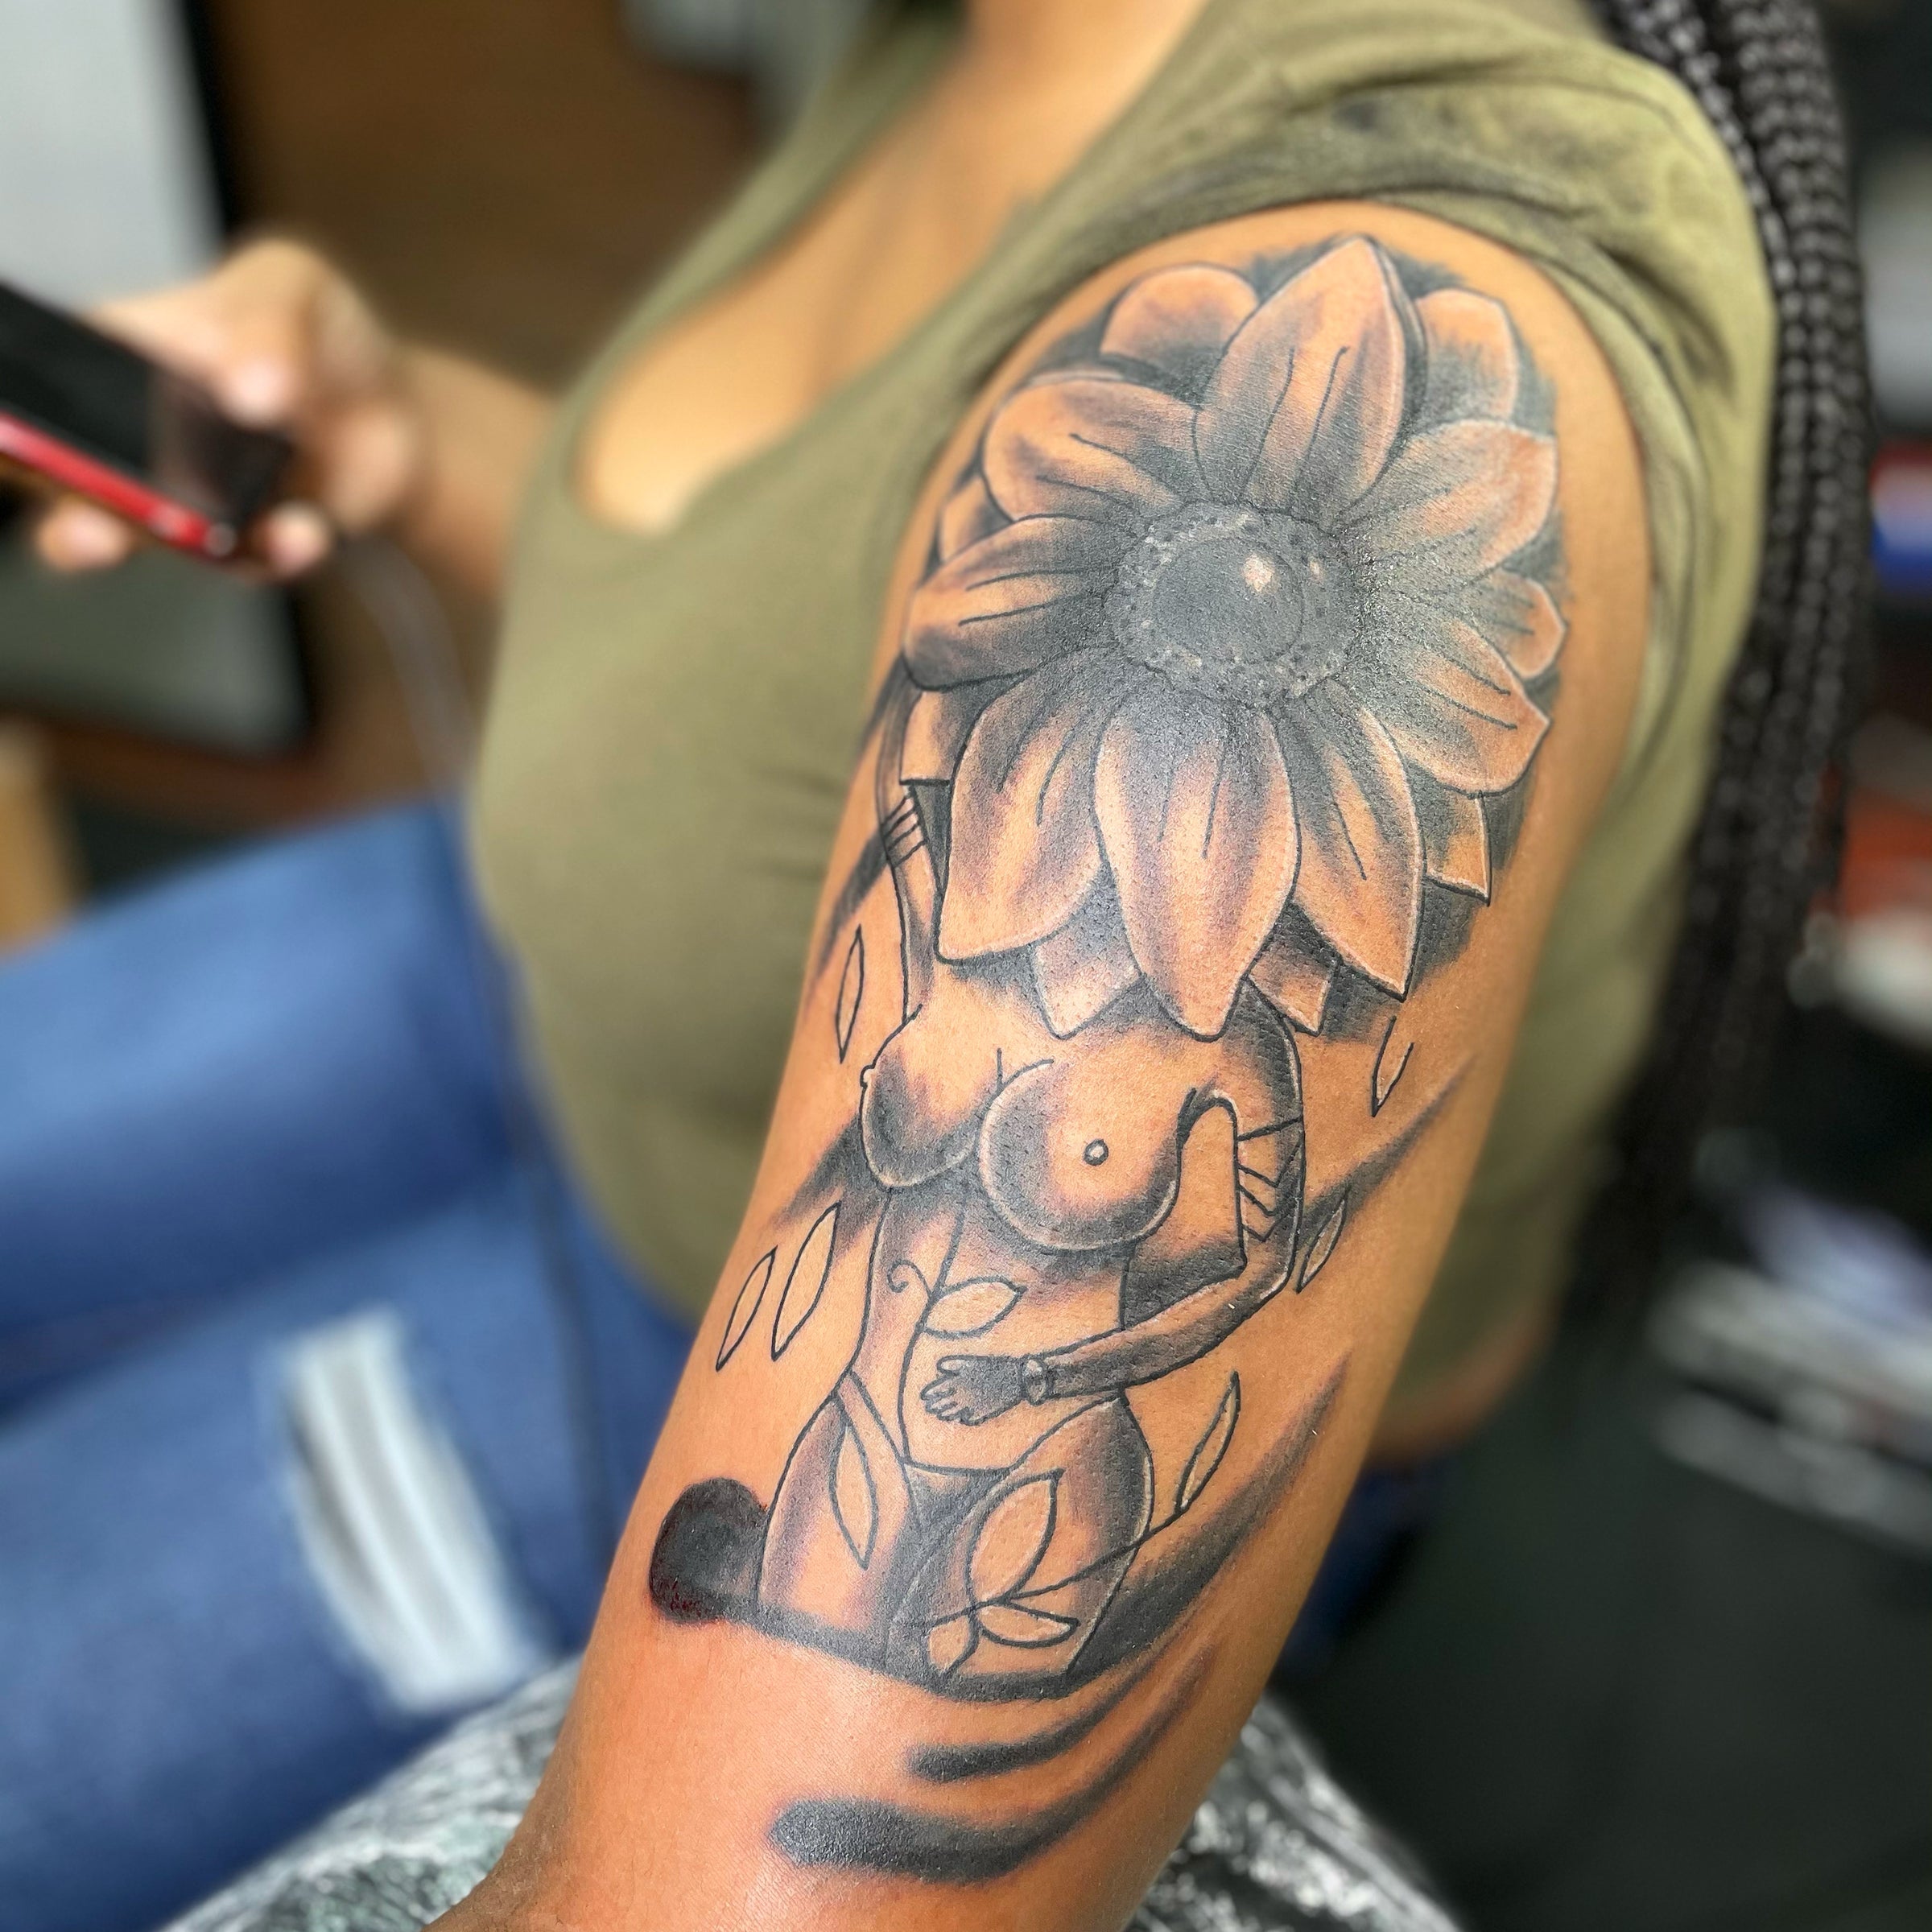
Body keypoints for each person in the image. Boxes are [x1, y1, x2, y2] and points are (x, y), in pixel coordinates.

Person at [1, 0, 1866, 1928]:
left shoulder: (1351, 332)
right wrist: (401, 432)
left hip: (731, 1312)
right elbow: (791, 585)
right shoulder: (969, 39)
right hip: (559, 957)